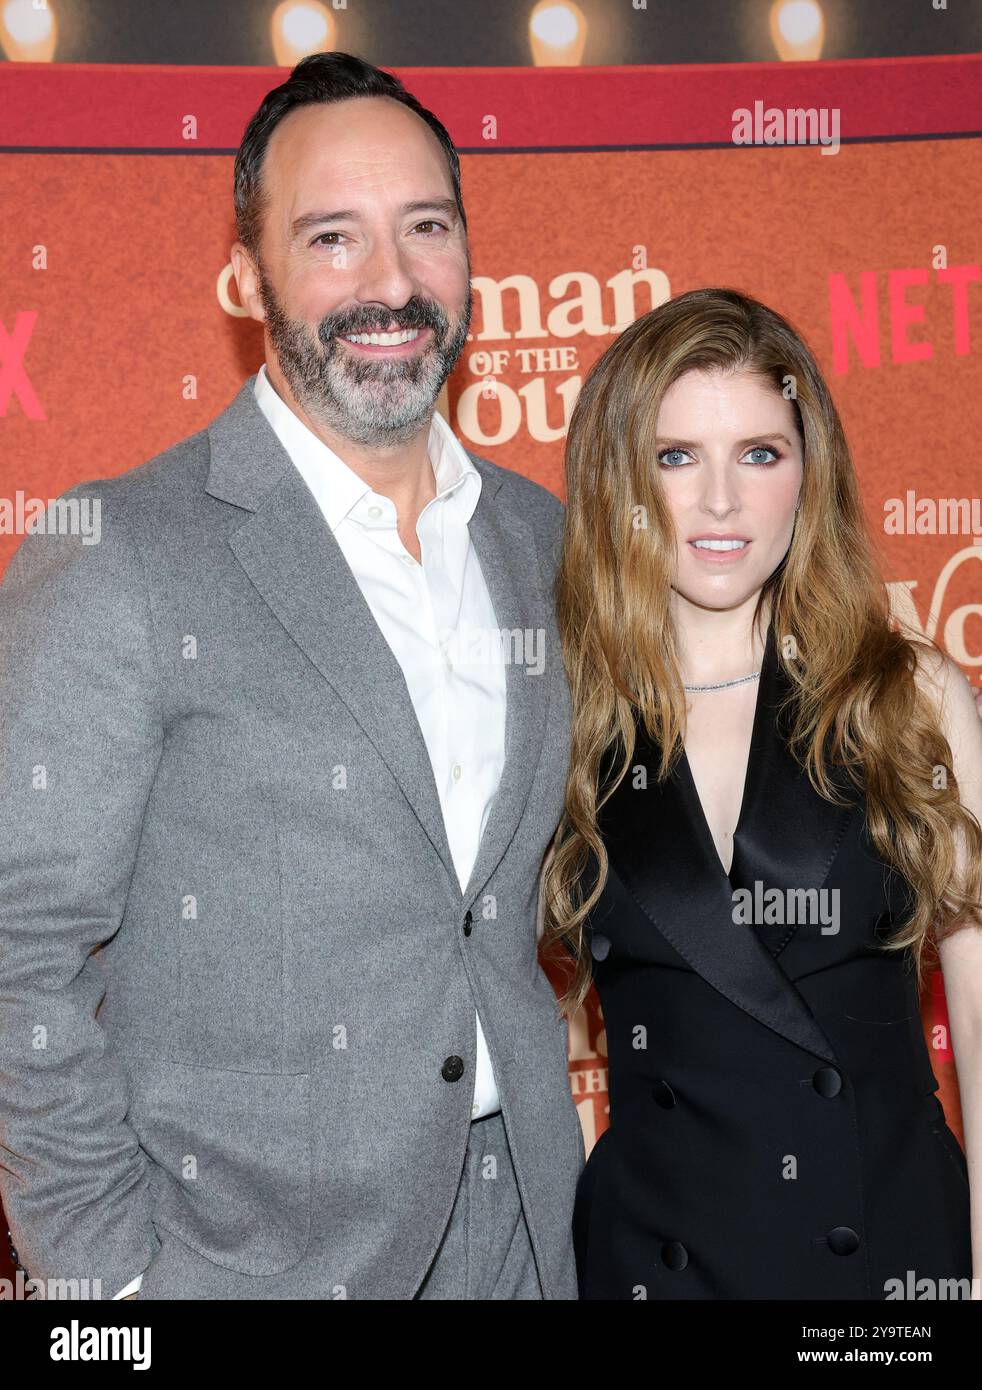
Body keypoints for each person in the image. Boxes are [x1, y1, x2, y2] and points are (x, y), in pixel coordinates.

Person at [0, 52, 583, 1301]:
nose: (391, 282)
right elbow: (16, 944)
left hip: (532, 1235)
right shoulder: (122, 553)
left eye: (425, 227)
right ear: (245, 277)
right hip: (243, 1262)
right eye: (333, 238)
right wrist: (110, 1283)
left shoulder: (539, 538)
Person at [542, 287, 982, 1300]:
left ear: (807, 470)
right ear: (621, 478)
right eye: (676, 455)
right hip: (655, 1263)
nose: (720, 503)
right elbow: (539, 1037)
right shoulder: (569, 720)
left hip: (882, 1263)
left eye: (759, 453)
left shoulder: (903, 695)